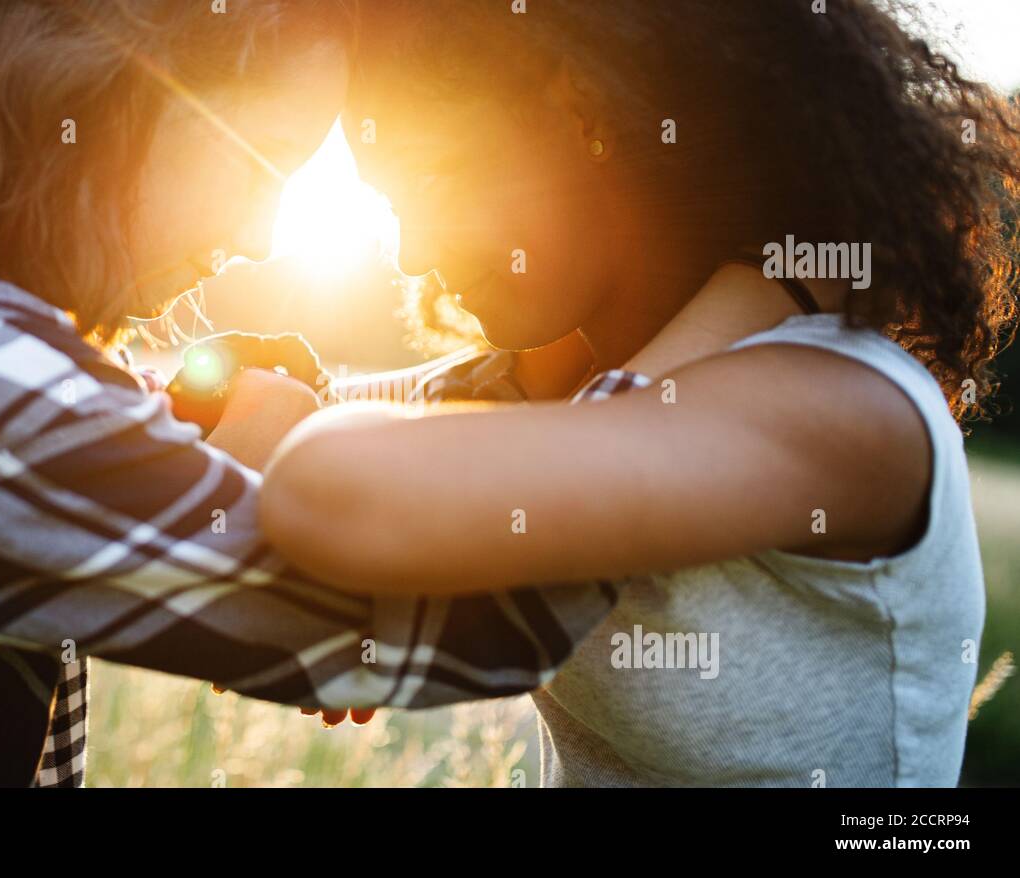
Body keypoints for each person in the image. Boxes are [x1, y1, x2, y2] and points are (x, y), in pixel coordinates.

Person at [0, 0, 620, 788]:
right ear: (103, 100)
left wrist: (248, 413)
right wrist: (713, 373)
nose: (262, 235)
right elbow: (471, 628)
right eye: (259, 158)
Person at [260, 0, 1020, 786]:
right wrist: (275, 388)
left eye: (430, 176)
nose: (413, 254)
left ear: (582, 100)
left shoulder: (845, 407)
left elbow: (330, 485)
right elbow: (338, 431)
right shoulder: (573, 373)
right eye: (390, 205)